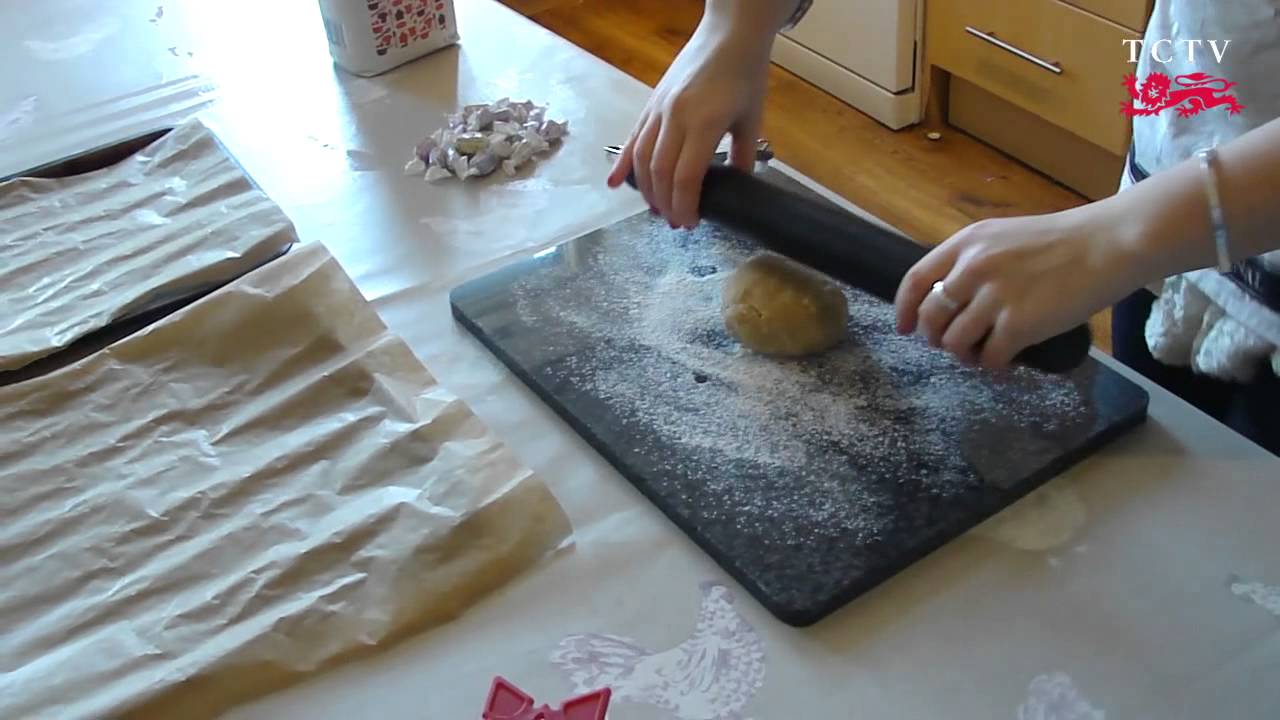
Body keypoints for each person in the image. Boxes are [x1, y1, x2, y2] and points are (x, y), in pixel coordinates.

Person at [607, 0, 1280, 456]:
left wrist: (1117, 237)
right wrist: (734, 26)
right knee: (1165, 485)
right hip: (1171, 228)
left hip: (1186, 241)